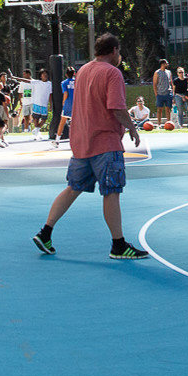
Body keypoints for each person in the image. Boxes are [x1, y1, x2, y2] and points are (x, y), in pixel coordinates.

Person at [32, 34, 144, 260]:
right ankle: (118, 245)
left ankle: (45, 232)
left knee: (73, 188)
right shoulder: (112, 73)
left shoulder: (83, 71)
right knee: (111, 192)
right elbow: (117, 108)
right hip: (105, 142)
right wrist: (132, 128)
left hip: (82, 141)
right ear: (114, 51)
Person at [28, 68, 52, 141]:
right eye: (43, 74)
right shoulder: (36, 82)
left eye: (46, 74)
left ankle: (37, 130)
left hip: (44, 104)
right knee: (36, 118)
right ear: (40, 76)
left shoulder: (50, 84)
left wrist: (50, 104)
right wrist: (14, 77)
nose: (45, 75)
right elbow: (26, 80)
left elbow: (50, 94)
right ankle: (37, 132)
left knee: (44, 119)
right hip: (36, 103)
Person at [152, 61, 174, 128]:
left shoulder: (169, 72)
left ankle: (168, 123)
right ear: (162, 64)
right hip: (160, 93)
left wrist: (172, 92)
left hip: (168, 93)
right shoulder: (157, 72)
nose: (167, 64)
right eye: (166, 63)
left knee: (168, 109)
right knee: (159, 109)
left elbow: (171, 82)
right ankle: (159, 124)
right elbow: (154, 84)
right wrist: (156, 94)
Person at [58, 64, 77, 142]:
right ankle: (77, 139)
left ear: (66, 74)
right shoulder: (77, 81)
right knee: (76, 122)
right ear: (74, 73)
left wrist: (63, 101)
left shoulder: (64, 83)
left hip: (68, 103)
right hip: (76, 103)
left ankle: (57, 139)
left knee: (62, 121)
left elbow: (65, 93)